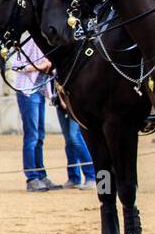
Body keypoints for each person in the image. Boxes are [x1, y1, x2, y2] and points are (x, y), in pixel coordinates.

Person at [8, 36, 60, 192]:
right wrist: (40, 65)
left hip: (40, 91)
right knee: (32, 135)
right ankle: (32, 177)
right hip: (27, 92)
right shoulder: (28, 43)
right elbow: (16, 66)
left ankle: (41, 174)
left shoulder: (47, 43)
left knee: (40, 135)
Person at [54, 99, 96, 190]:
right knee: (69, 140)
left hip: (75, 102)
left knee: (75, 137)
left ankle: (90, 176)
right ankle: (73, 178)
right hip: (60, 103)